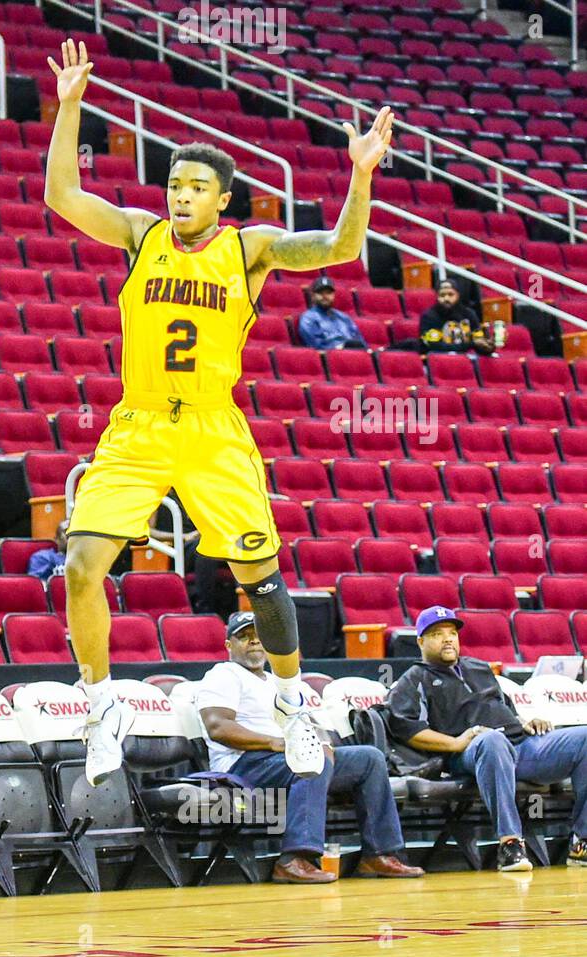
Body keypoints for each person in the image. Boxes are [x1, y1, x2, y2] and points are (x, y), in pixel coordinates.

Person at [44, 39, 394, 787]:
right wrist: (70, 106)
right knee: (80, 564)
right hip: (138, 424)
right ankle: (100, 704)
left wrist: (360, 175)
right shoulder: (142, 235)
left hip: (212, 427)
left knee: (260, 576)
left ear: (222, 199)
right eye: (174, 183)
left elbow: (340, 245)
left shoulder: (249, 248)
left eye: (196, 186)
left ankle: (297, 703)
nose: (180, 194)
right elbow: (64, 200)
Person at [198, 612, 424, 883]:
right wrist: (277, 743)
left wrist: (322, 743)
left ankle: (378, 854)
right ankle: (295, 857)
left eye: (259, 637)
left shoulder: (277, 681)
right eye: (244, 637)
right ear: (228, 646)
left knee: (370, 759)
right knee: (310, 761)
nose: (254, 642)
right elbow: (218, 727)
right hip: (243, 764)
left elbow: (306, 723)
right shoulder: (223, 675)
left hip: (284, 757)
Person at [385, 606, 587, 872]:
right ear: (421, 641)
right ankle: (510, 843)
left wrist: (527, 722)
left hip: (519, 745)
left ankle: (581, 841)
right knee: (492, 740)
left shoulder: (479, 668)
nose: (447, 639)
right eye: (437, 634)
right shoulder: (414, 678)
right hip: (468, 753)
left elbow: (503, 710)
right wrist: (456, 743)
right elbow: (408, 730)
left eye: (451, 633)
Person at [419, 278, 494, 355]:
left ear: (458, 295)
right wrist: (470, 344)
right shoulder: (428, 316)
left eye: (450, 294)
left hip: (466, 360)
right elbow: (434, 346)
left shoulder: (469, 314)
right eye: (442, 295)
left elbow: (478, 341)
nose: (446, 299)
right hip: (439, 360)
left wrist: (488, 347)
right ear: (437, 297)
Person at [296, 277, 367, 350]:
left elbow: (360, 340)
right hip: (331, 356)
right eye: (320, 293)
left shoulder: (343, 317)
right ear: (313, 296)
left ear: (333, 295)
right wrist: (339, 347)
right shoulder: (308, 318)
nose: (325, 296)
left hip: (354, 353)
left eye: (328, 293)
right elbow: (314, 345)